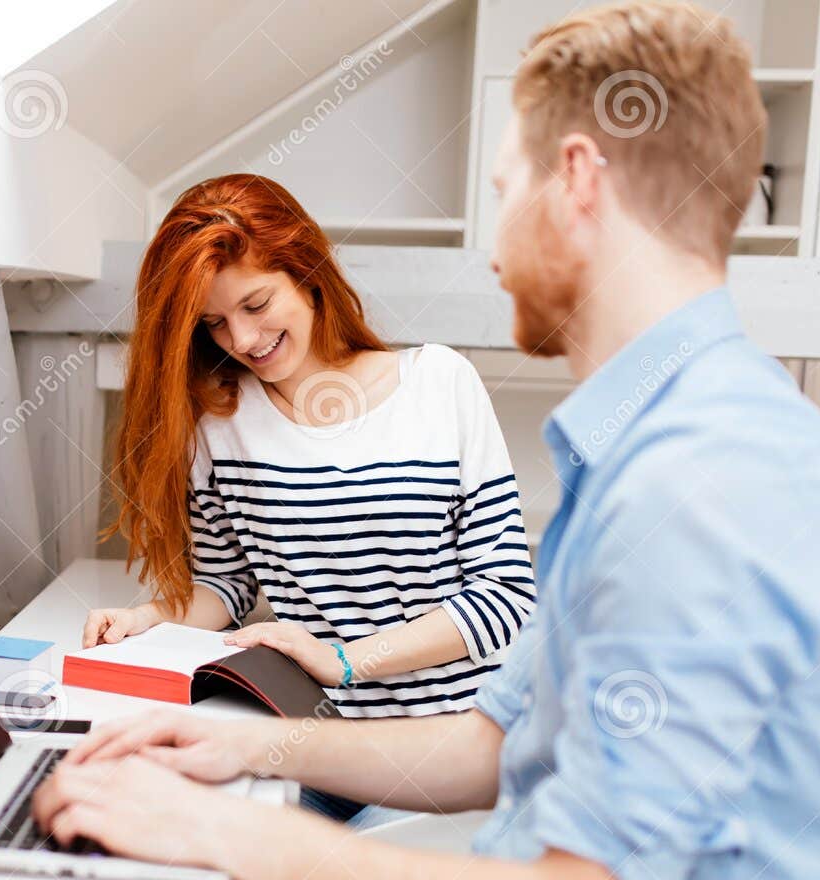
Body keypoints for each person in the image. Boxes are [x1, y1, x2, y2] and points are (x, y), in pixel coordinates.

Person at [35, 0, 820, 880]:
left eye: (502, 194)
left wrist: (223, 831)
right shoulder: (655, 443)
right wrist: (250, 742)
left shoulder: (698, 486)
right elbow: (495, 744)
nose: (490, 248)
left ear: (575, 179)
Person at [84, 175, 535, 820]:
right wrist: (156, 616)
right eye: (214, 324)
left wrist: (345, 661)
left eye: (257, 304)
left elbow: (506, 599)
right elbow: (228, 585)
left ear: (306, 272)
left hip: (452, 748)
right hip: (317, 742)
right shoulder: (220, 424)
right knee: (168, 832)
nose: (241, 340)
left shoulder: (439, 383)